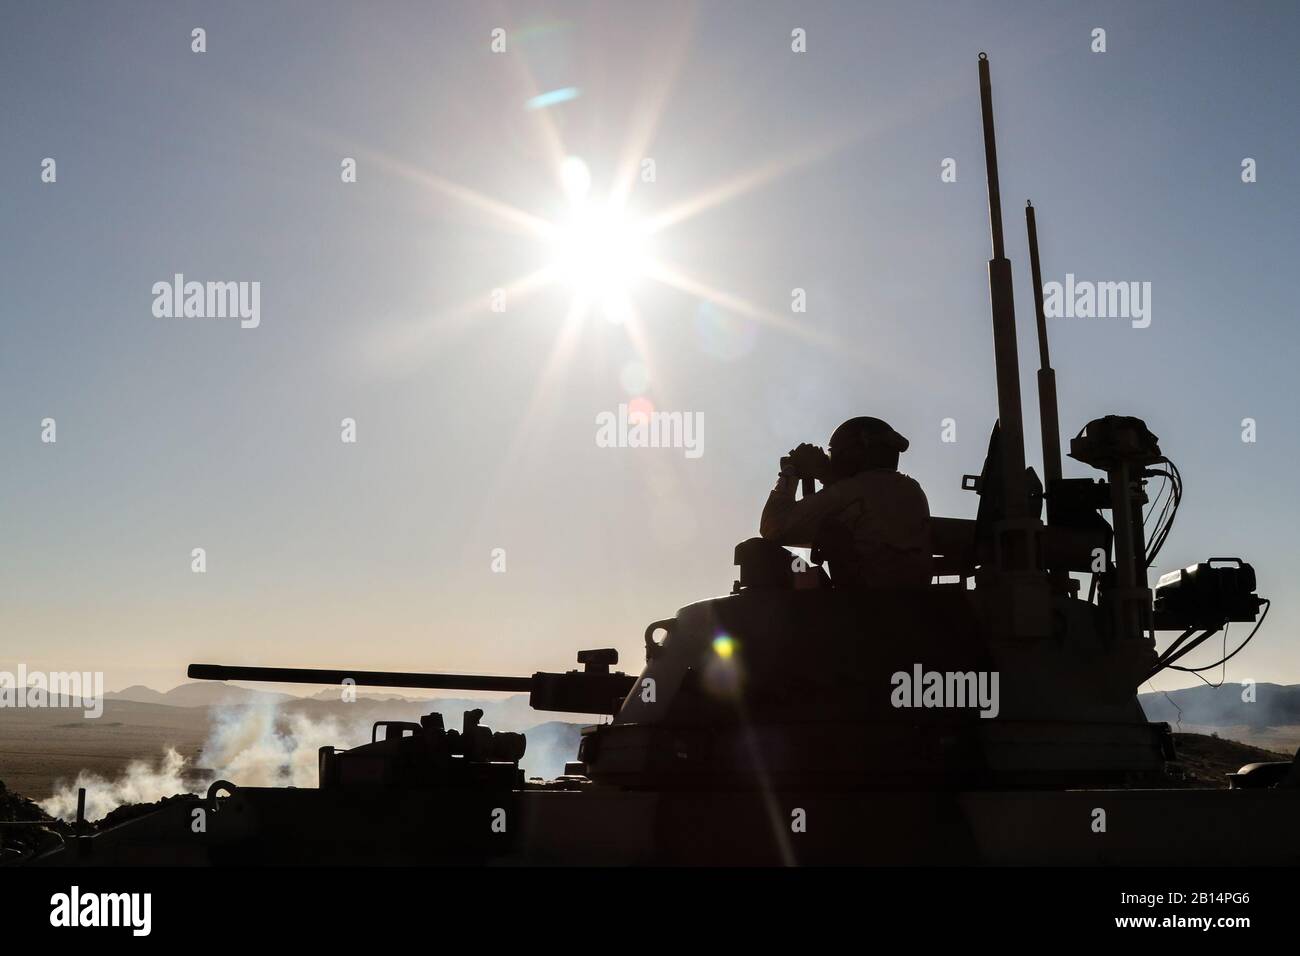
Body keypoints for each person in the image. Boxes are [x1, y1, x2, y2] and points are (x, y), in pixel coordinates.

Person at [760, 417, 931, 588]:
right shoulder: (912, 488)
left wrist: (790, 472)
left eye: (834, 453)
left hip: (861, 605)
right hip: (912, 602)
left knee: (756, 552)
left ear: (852, 453)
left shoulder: (850, 491)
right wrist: (826, 475)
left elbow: (774, 527)